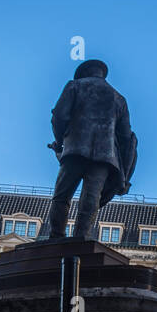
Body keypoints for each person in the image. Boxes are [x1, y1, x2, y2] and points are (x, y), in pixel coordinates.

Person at [46, 59, 138, 240]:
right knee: (91, 199)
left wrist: (59, 141)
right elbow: (126, 137)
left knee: (62, 195)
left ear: (84, 72)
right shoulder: (119, 98)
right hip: (105, 157)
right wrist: (125, 173)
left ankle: (56, 236)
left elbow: (59, 115)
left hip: (75, 151)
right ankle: (82, 237)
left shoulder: (75, 86)